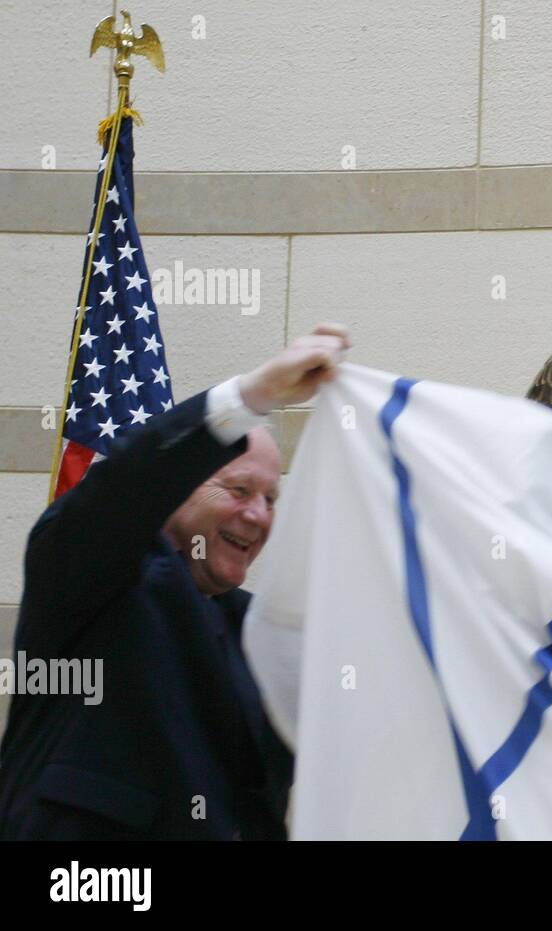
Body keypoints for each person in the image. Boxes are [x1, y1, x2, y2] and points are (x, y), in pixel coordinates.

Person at [0, 324, 351, 840]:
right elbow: (119, 494)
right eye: (237, 489)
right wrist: (252, 397)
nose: (257, 516)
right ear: (176, 486)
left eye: (271, 499)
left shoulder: (259, 630)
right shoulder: (92, 581)